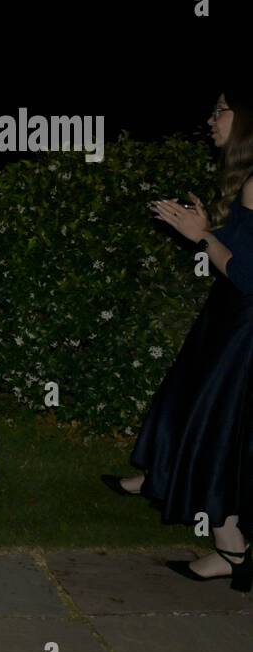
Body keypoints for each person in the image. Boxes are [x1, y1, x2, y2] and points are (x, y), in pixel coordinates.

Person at [107, 87, 253, 590]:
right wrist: (211, 228)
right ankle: (205, 521)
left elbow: (249, 274)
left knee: (216, 429)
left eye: (222, 110)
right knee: (205, 420)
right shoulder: (246, 178)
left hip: (243, 330)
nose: (212, 119)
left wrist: (203, 237)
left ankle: (232, 552)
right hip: (231, 321)